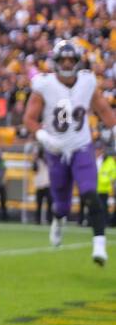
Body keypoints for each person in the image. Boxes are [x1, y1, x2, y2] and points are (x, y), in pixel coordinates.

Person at [24, 38, 116, 264]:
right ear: (56, 61)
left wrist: (112, 129)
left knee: (90, 194)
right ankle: (58, 220)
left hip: (81, 146)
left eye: (70, 59)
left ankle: (99, 245)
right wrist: (43, 136)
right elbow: (29, 119)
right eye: (63, 60)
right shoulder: (43, 85)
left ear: (77, 61)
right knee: (62, 205)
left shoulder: (87, 82)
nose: (66, 64)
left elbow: (104, 111)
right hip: (55, 150)